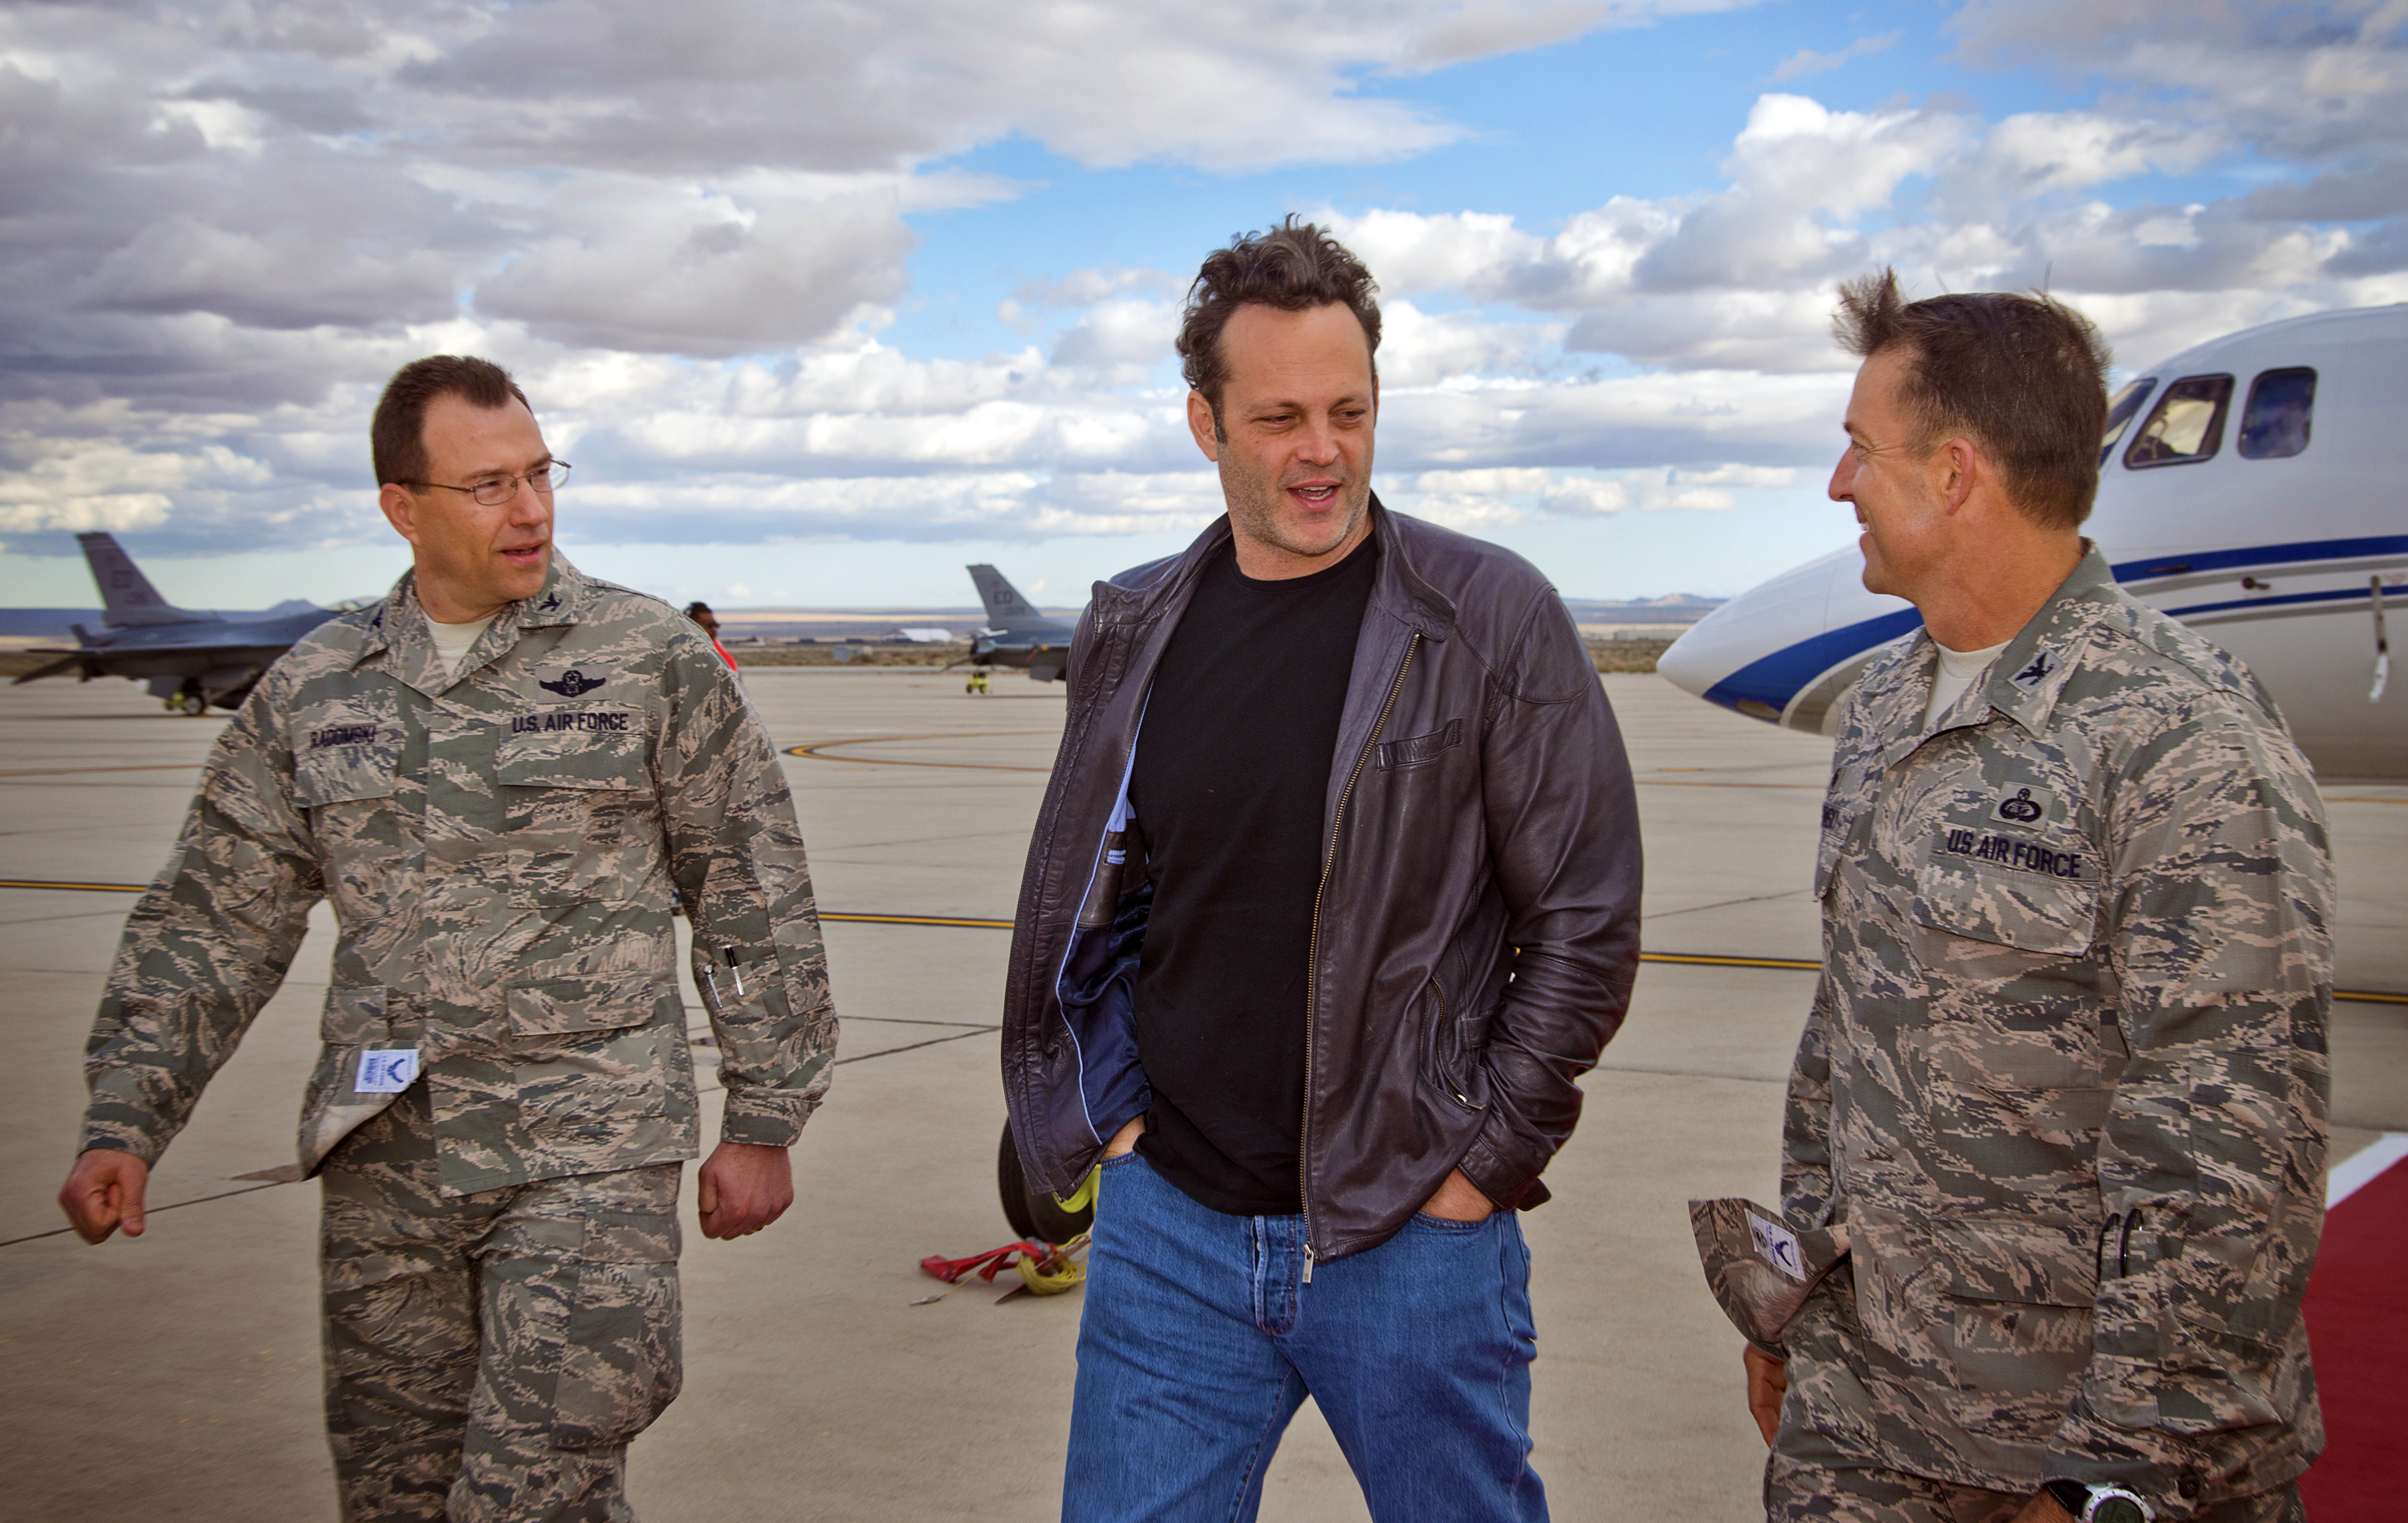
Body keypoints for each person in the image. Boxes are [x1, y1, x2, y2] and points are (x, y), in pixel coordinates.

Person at [57, 355, 837, 1522]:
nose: (528, 510)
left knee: (535, 1495)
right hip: (387, 1162)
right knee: (395, 1494)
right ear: (401, 506)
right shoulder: (319, 687)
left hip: (589, 1148)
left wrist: (767, 1116)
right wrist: (128, 1111)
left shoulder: (647, 657)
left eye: (539, 474)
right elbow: (212, 916)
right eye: (486, 486)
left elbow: (749, 881)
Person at [999, 218, 1643, 1523]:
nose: (1321, 450)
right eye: (1282, 414)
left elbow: (1584, 913)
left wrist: (1483, 1160)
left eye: (1349, 411)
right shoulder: (1131, 626)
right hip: (1170, 1232)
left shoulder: (1487, 615)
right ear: (1207, 423)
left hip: (1409, 1229)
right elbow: (1104, 900)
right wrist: (1112, 1120)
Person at [1743, 272, 2333, 1523]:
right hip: (1870, 1421)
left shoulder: (2183, 738)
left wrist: (2112, 1483)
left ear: (1955, 474)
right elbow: (1846, 1042)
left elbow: (2230, 1152)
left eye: (1859, 449)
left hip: (2076, 1446)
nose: (1838, 484)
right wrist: (1793, 1308)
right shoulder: (1885, 707)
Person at [683, 600, 738, 670]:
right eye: (709, 625)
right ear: (690, 627)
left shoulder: (718, 653)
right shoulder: (683, 654)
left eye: (715, 625)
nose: (714, 629)